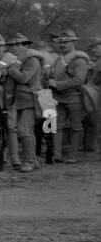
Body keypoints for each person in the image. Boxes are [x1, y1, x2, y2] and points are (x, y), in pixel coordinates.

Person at [1, 32, 44, 172]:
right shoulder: (18, 62)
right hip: (20, 100)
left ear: (26, 46)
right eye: (12, 46)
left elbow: (24, 78)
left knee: (24, 130)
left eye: (18, 45)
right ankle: (33, 160)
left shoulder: (32, 61)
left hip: (31, 99)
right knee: (27, 131)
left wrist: (11, 70)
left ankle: (29, 162)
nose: (14, 48)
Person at [46, 30, 88, 163]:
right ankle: (56, 155)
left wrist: (57, 84)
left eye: (66, 42)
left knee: (76, 127)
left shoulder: (79, 60)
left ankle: (73, 156)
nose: (62, 45)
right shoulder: (59, 59)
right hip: (58, 97)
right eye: (60, 42)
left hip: (74, 97)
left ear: (73, 42)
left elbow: (79, 81)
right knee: (56, 126)